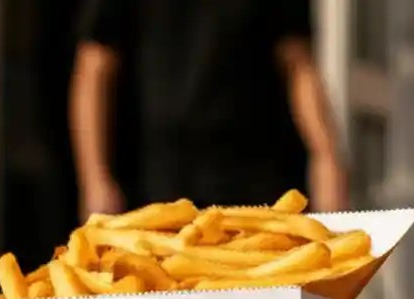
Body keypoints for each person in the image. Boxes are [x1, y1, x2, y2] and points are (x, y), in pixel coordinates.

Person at [70, 0, 348, 216]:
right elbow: (94, 69)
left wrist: (326, 157)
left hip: (259, 179)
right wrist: (95, 178)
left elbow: (298, 65)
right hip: (156, 181)